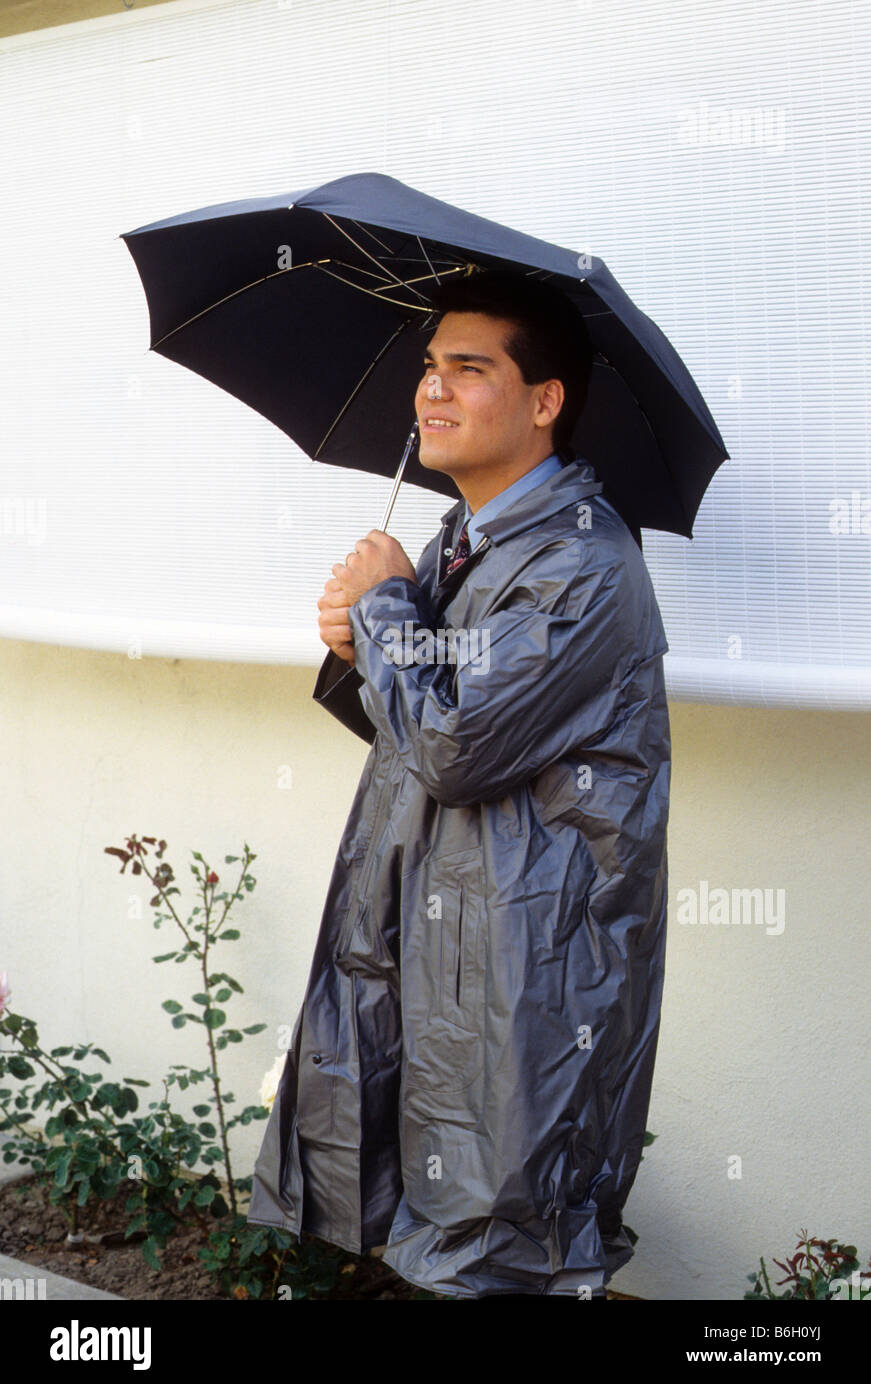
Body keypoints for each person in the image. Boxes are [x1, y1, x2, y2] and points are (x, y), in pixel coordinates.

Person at [247, 269, 671, 1300]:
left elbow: (456, 743)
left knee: (501, 1236)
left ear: (544, 401)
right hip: (437, 936)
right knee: (432, 1223)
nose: (430, 391)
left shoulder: (580, 564)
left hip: (528, 964)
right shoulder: (467, 541)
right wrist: (359, 642)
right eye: (430, 367)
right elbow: (412, 726)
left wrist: (388, 607)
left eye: (468, 369)